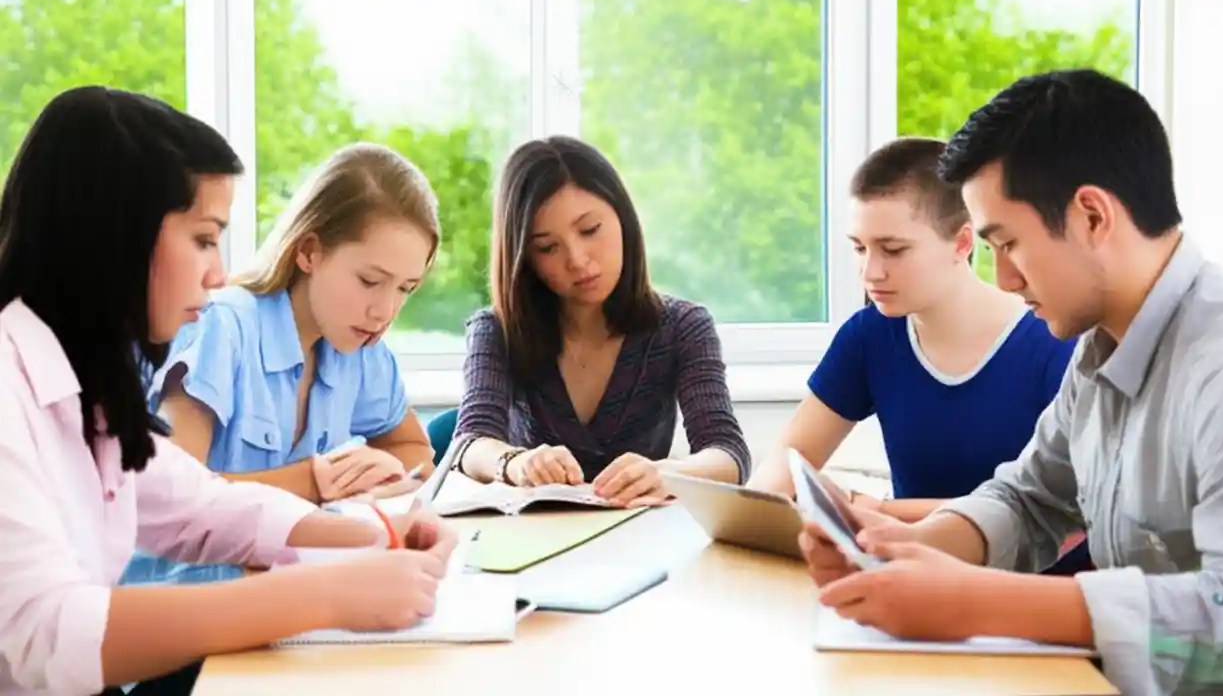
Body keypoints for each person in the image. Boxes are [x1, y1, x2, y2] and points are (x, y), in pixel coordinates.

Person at [798, 69, 1223, 695]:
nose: (1003, 279)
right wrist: (909, 548)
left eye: (1008, 244)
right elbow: (1030, 498)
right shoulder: (1101, 348)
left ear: (1091, 216)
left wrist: (975, 602)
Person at [0, 86, 456, 696]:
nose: (218, 274)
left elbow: (202, 506)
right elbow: (49, 636)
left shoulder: (85, 388)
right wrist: (322, 593)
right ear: (117, 234)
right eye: (203, 239)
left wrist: (380, 538)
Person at [122, 142, 441, 587]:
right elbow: (173, 499)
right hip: (185, 594)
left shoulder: (360, 348)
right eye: (370, 281)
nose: (385, 311)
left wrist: (376, 476)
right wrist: (314, 481)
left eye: (406, 288)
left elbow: (416, 452)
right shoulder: (220, 328)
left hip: (286, 587)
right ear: (309, 251)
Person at [747, 138, 1077, 539]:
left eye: (893, 250)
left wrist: (879, 510)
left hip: (1032, 572)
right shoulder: (869, 335)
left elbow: (1054, 509)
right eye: (860, 248)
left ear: (962, 243)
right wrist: (763, 505)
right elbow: (787, 461)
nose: (870, 272)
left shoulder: (1055, 345)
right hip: (908, 562)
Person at [453, 136, 750, 506]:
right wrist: (515, 463)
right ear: (524, 257)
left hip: (639, 531)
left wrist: (667, 474)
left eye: (590, 229)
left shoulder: (683, 326)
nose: (577, 260)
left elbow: (728, 453)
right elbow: (469, 442)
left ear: (623, 218)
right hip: (534, 533)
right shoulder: (497, 330)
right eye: (547, 247)